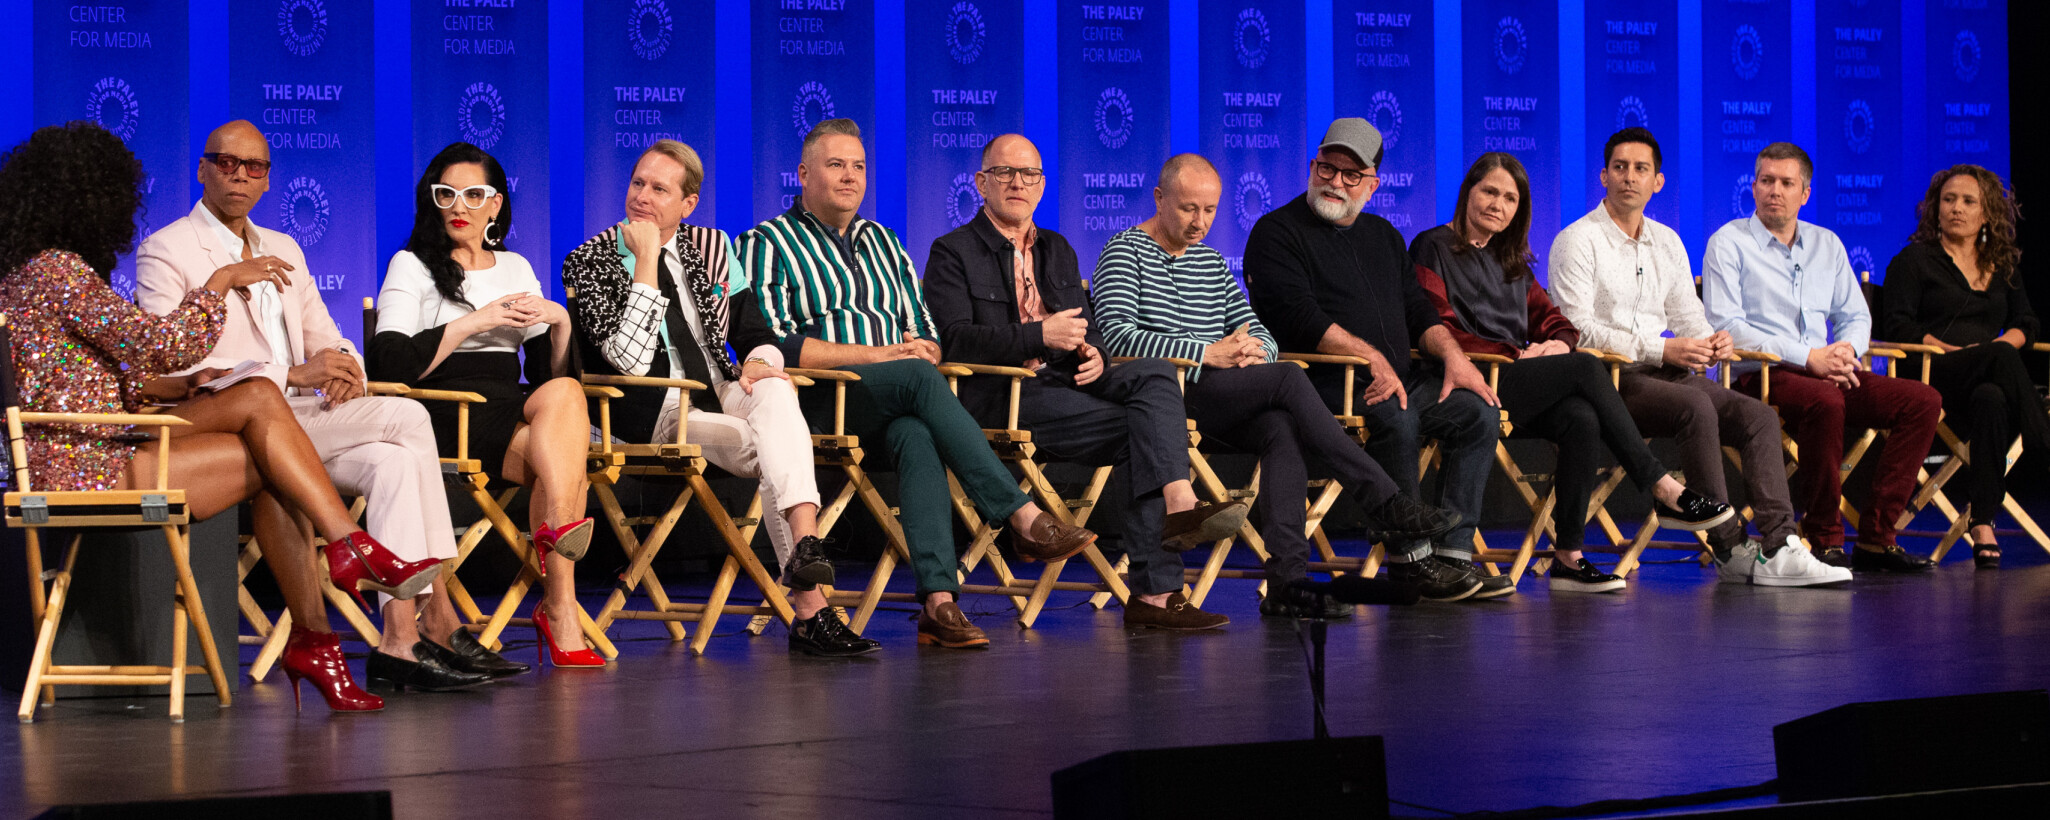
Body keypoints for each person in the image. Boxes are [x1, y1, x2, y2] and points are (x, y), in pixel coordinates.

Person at [0, 121, 430, 712]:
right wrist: (220, 283)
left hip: (101, 443)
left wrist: (187, 382)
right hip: (87, 465)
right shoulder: (58, 274)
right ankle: (342, 562)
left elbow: (126, 371)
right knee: (260, 406)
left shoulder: (35, 275)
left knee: (269, 446)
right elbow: (157, 345)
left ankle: (317, 637)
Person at [136, 121, 517, 693]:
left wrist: (342, 367)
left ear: (268, 180)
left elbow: (328, 334)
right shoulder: (167, 249)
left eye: (254, 166)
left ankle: (398, 637)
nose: (240, 175)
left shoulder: (283, 247)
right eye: (226, 162)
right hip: (236, 433)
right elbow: (172, 368)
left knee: (395, 462)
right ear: (202, 169)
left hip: (306, 419)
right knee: (411, 417)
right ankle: (435, 615)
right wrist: (288, 374)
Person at [738, 119, 1097, 649]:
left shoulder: (885, 242)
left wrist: (921, 349)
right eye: (835, 165)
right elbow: (767, 342)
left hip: (895, 401)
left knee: (918, 432)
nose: (850, 177)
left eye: (858, 167)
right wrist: (884, 356)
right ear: (803, 174)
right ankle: (1019, 514)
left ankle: (939, 603)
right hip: (815, 401)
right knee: (913, 376)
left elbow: (930, 335)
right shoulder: (766, 242)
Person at [1092, 152, 1461, 616]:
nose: (1199, 222)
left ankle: (1287, 583)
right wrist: (1209, 353)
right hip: (1162, 399)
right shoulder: (1123, 250)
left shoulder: (1208, 261)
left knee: (1281, 424)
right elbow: (1117, 340)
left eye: (1209, 210)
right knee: (1287, 377)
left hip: (1219, 396)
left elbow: (1258, 330)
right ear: (1159, 198)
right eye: (1188, 208)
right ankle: (1382, 497)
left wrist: (1251, 352)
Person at [562, 139, 876, 655]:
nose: (642, 196)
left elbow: (756, 332)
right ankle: (812, 609)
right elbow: (629, 363)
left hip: (721, 388)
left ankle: (804, 545)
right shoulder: (591, 260)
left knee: (776, 393)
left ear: (687, 205)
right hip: (652, 408)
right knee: (776, 445)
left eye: (659, 188)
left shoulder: (710, 247)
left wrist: (761, 362)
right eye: (637, 183)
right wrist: (644, 263)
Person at [922, 134, 1248, 631]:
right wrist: (1039, 334)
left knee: (1155, 373)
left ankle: (1177, 513)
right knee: (1147, 434)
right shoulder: (952, 251)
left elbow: (1089, 326)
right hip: (1004, 398)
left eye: (1029, 175)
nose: (1018, 183)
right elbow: (956, 342)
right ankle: (1158, 590)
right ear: (980, 183)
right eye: (1005, 173)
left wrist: (1092, 350)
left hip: (1070, 384)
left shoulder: (1059, 248)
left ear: (1042, 185)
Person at [1412, 152, 1735, 593]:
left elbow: (1562, 324)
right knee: (1584, 366)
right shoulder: (1432, 246)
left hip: (1510, 383)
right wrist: (1518, 353)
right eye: (1489, 191)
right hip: (1465, 380)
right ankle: (1661, 486)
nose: (1498, 205)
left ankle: (1568, 556)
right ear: (1468, 191)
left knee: (1581, 415)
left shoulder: (1511, 264)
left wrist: (1555, 344)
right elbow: (1436, 325)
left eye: (1510, 198)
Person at [1547, 128, 1849, 587]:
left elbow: (1689, 317)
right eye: (1621, 168)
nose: (1630, 177)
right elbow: (1578, 329)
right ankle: (1730, 547)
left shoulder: (1667, 241)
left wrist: (1713, 341)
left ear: (1658, 182)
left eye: (1641, 169)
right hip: (1607, 379)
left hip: (1667, 373)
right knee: (1696, 406)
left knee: (1758, 417)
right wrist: (1660, 347)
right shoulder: (1577, 241)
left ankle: (1781, 545)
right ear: (1603, 176)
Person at [1243, 118, 1510, 601]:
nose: (1335, 182)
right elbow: (1297, 318)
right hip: (1322, 385)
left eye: (1351, 175)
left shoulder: (1384, 235)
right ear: (1312, 165)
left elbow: (1417, 309)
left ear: (1372, 184)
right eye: (1328, 168)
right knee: (1396, 413)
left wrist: (1453, 356)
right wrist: (1370, 357)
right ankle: (1410, 562)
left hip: (1397, 378)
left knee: (1477, 409)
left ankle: (1452, 556)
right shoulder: (1275, 232)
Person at [368, 142, 602, 667]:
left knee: (565, 401)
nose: (459, 206)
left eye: (474, 195)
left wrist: (560, 322)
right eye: (446, 194)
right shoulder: (412, 265)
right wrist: (477, 319)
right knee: (563, 468)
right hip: (441, 412)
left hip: (509, 408)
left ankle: (558, 541)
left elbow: (547, 378)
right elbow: (388, 362)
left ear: (495, 205)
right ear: (432, 200)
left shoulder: (516, 265)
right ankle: (560, 606)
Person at [1702, 142, 1943, 572]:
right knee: (1825, 401)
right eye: (1766, 181)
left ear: (1805, 193)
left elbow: (1854, 314)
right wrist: (1809, 357)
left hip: (1826, 370)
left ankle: (1876, 537)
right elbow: (1729, 327)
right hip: (1761, 372)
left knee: (1922, 401)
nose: (1774, 190)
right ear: (1753, 187)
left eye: (1786, 183)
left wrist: (1846, 352)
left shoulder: (1826, 244)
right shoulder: (1728, 243)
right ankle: (1824, 535)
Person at [1880, 164, 2046, 569]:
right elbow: (1898, 325)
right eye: (1948, 200)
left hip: (1986, 378)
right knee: (2001, 357)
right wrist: (1957, 349)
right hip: (1931, 373)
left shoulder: (2002, 264)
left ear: (1987, 213)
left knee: (1992, 396)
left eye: (1968, 201)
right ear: (1935, 209)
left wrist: (1993, 348)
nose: (1956, 208)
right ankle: (2043, 442)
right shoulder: (1914, 260)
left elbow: (2027, 323)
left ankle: (1983, 522)